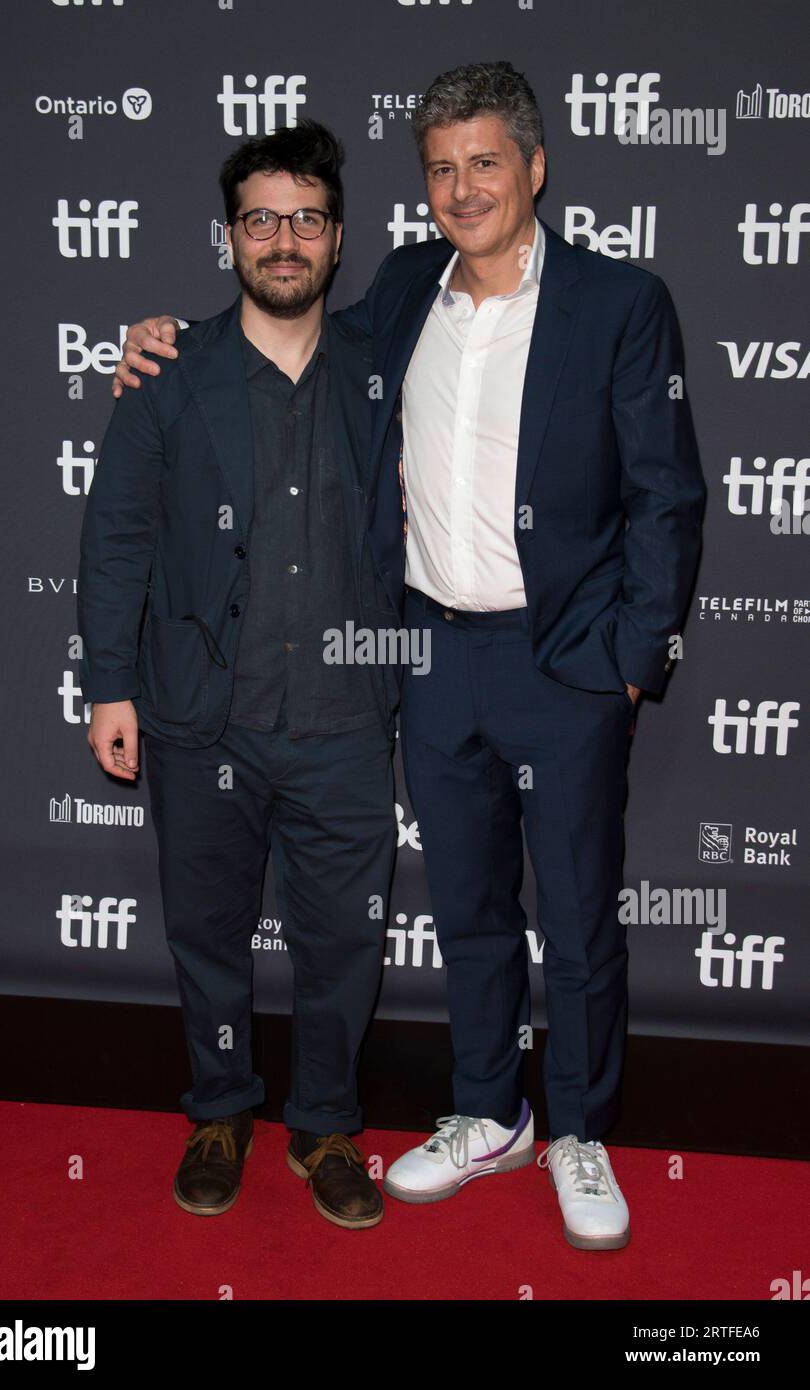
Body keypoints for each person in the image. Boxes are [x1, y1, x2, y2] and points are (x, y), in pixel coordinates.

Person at [111, 62, 706, 1250]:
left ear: (534, 168)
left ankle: (578, 1128)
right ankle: (489, 1110)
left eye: (484, 161)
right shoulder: (398, 289)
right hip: (429, 651)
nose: (461, 187)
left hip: (564, 660)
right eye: (439, 167)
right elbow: (280, 329)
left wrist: (629, 661)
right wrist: (161, 338)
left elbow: (666, 496)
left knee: (579, 911)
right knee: (472, 908)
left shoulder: (616, 302)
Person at [78, 120, 400, 1230]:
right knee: (207, 931)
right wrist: (107, 682)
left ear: (336, 237)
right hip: (196, 716)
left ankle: (323, 1125)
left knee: (341, 942)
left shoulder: (385, 365)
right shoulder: (169, 369)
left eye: (304, 218)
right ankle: (219, 1108)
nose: (282, 239)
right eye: (260, 218)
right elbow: (116, 533)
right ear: (229, 238)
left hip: (345, 717)